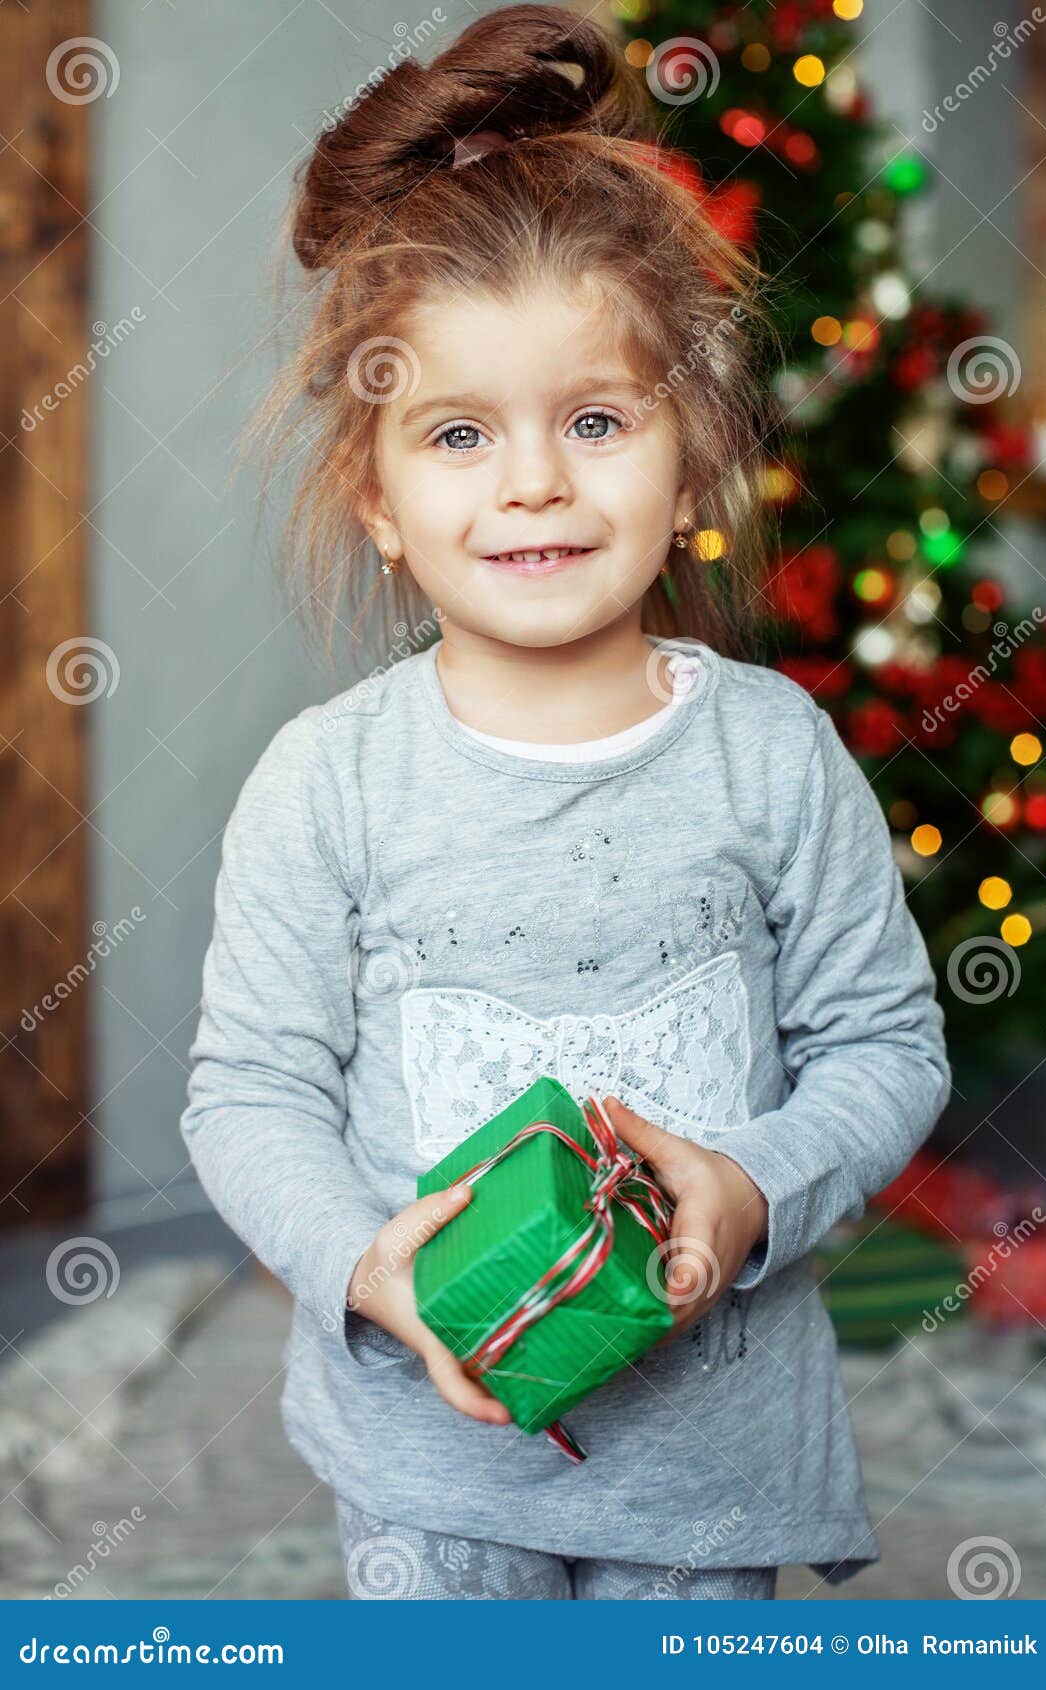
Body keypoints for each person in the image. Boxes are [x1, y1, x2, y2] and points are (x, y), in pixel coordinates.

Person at [180, 3, 951, 1602]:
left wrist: (750, 1188)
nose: (533, 481)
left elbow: (885, 1045)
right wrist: (364, 1266)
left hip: (714, 1474)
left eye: (596, 421)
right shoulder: (328, 783)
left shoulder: (773, 754)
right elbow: (248, 1093)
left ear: (688, 468)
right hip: (427, 1469)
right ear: (382, 498)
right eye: (461, 434)